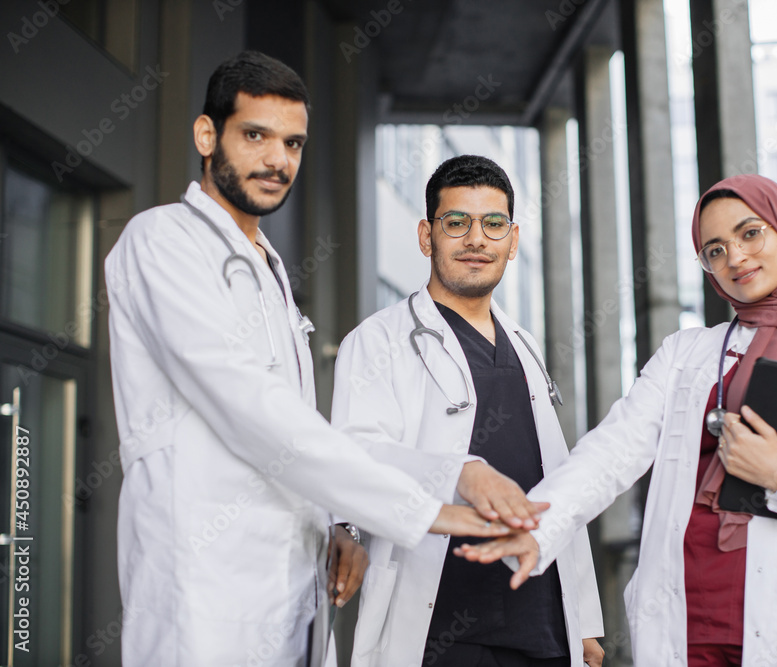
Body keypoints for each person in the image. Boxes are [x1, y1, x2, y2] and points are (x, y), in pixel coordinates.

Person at [105, 52, 544, 666]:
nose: (277, 160)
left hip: (291, 578)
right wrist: (424, 509)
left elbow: (294, 433)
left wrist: (337, 525)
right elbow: (248, 406)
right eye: (255, 135)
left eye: (293, 143)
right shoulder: (161, 242)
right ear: (207, 136)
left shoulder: (268, 268)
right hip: (202, 575)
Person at [457, 174, 777, 666]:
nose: (734, 257)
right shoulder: (687, 351)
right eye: (714, 249)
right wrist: (537, 524)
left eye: (749, 233)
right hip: (680, 623)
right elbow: (612, 452)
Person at [329, 155, 605, 667]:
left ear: (513, 240)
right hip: (441, 628)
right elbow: (355, 456)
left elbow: (557, 478)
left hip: (541, 624)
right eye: (456, 222)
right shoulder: (378, 341)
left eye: (493, 224)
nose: (476, 239)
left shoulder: (526, 345)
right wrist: (461, 471)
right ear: (425, 236)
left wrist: (583, 620)